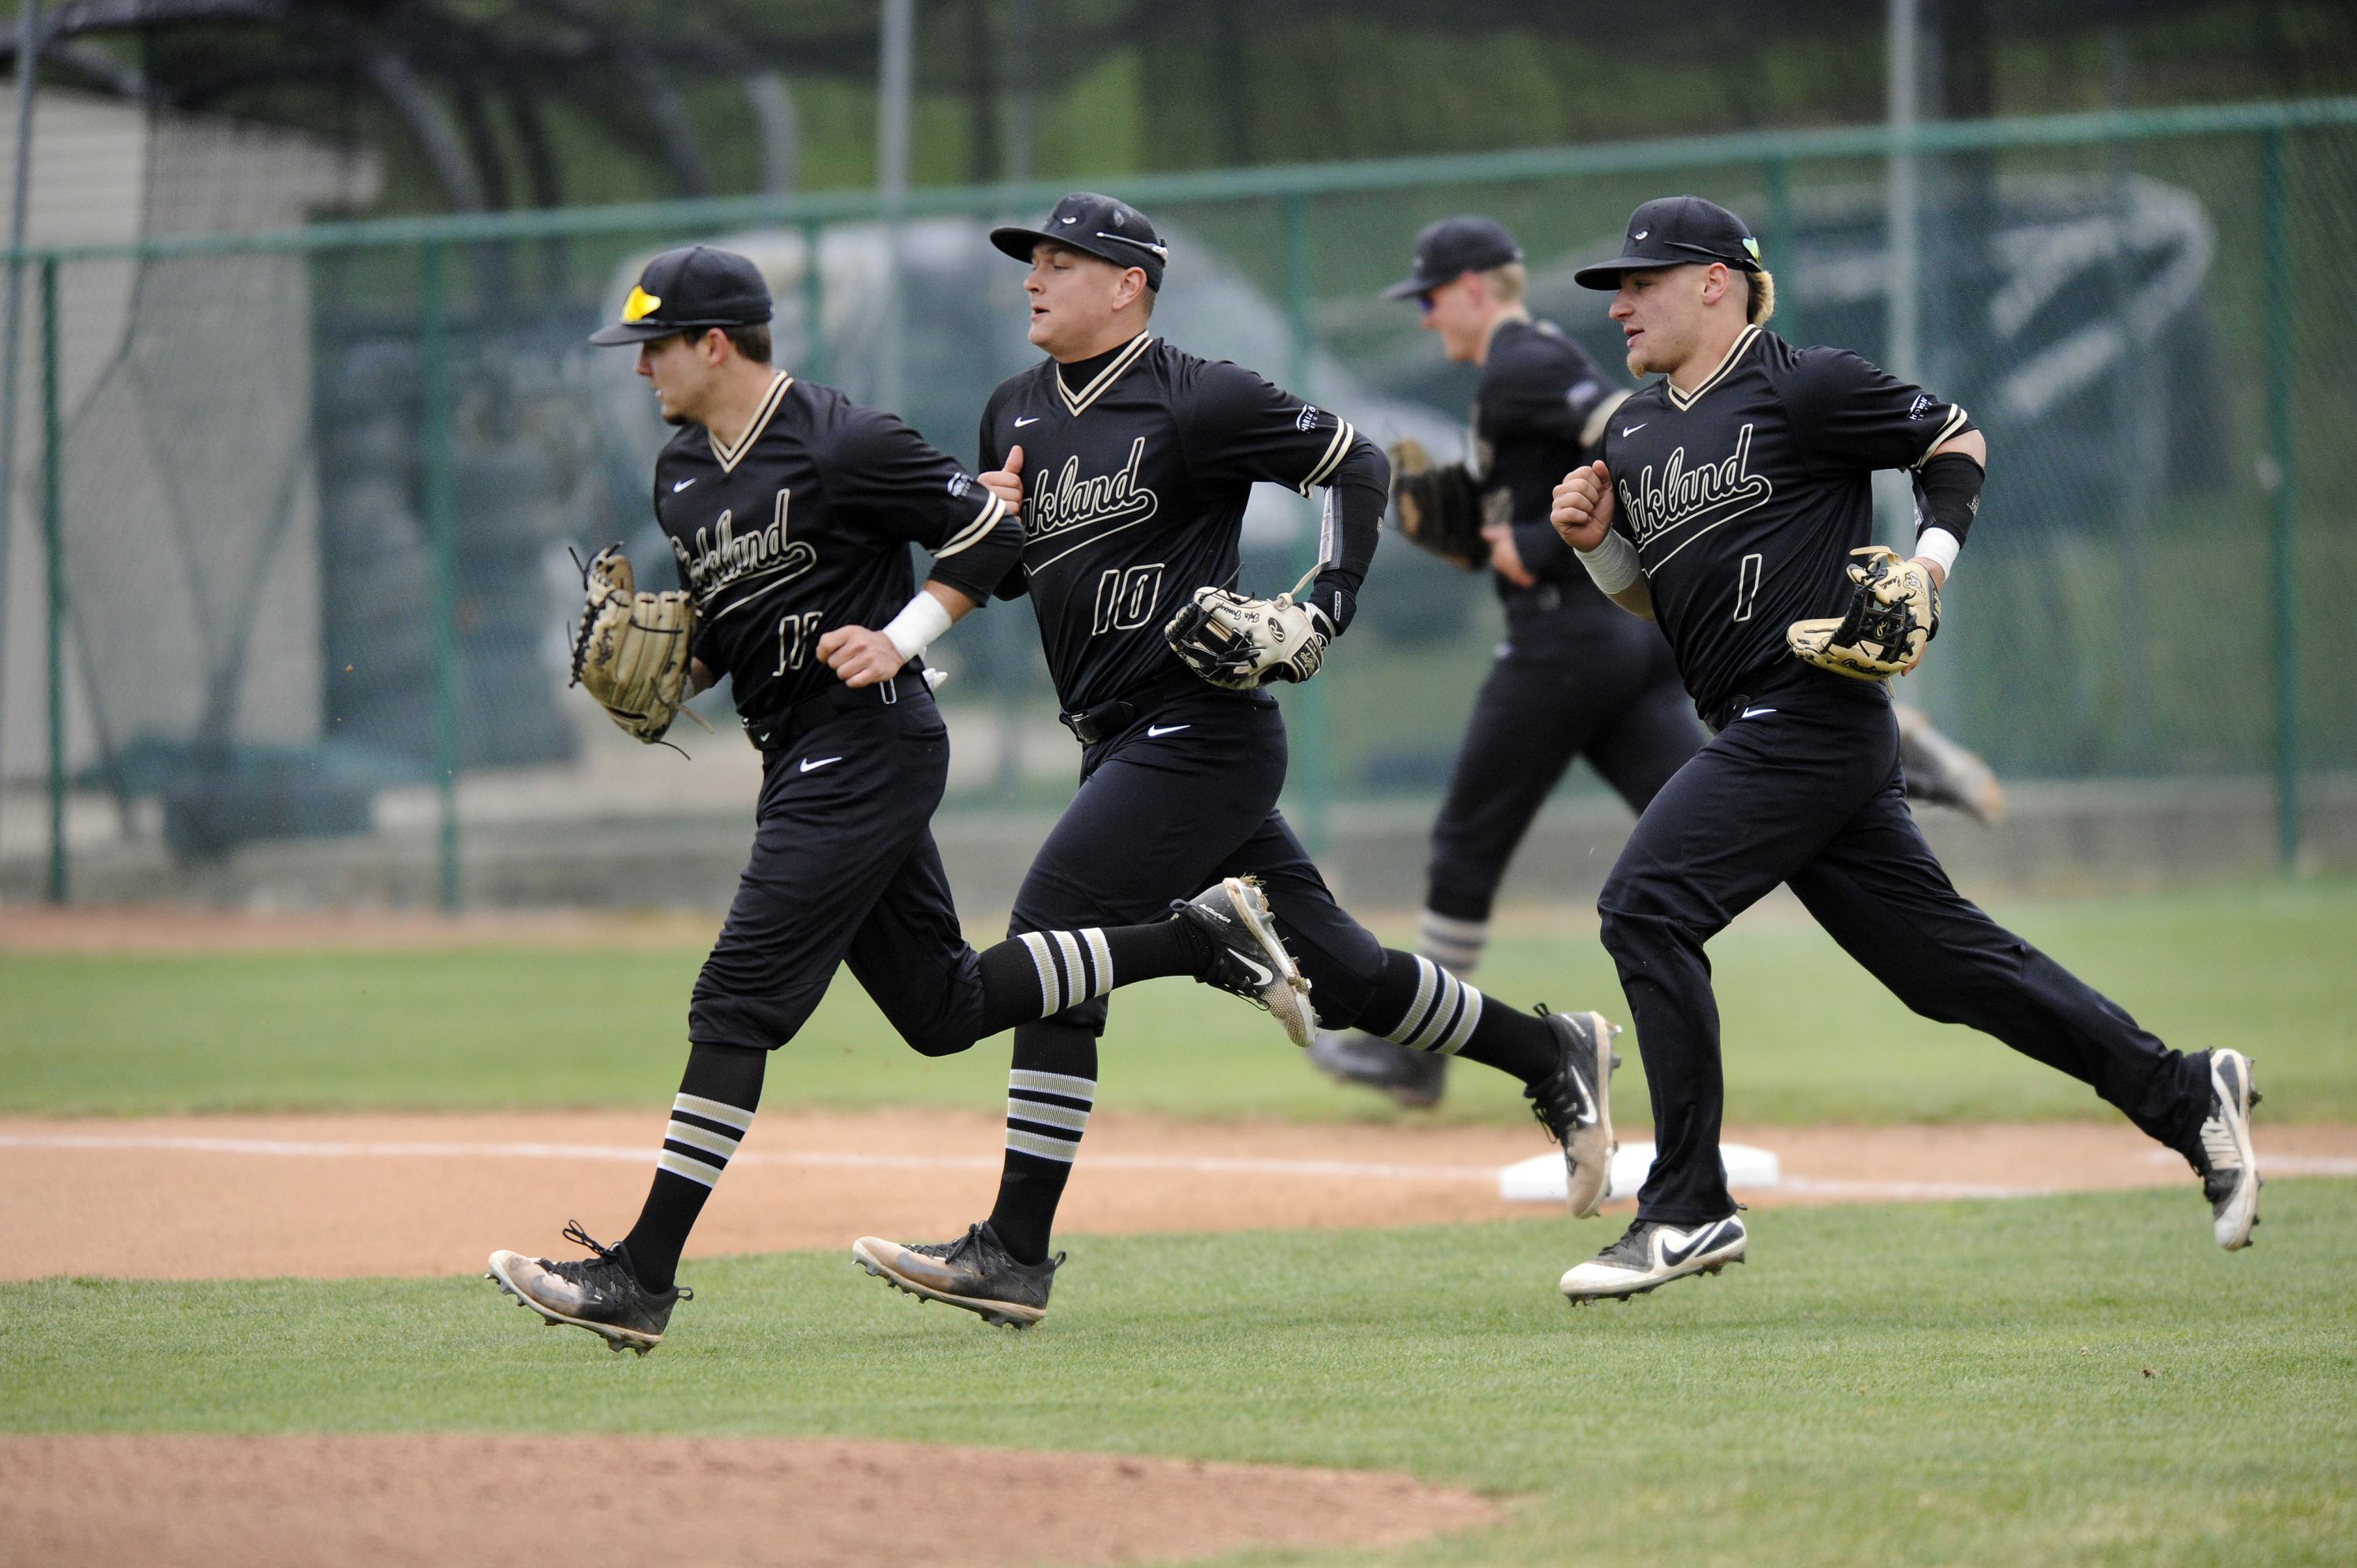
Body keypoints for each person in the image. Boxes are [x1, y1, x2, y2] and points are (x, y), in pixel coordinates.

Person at [484, 245, 1324, 1351]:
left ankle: (640, 1277)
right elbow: (726, 632)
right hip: (796, 750)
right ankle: (1195, 939)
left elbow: (992, 536)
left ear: (715, 344)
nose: (641, 370)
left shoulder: (841, 438)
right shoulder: (681, 474)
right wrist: (673, 674)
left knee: (735, 1001)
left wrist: (902, 635)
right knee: (942, 1009)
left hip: (868, 744)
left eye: (655, 347)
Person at [849, 194, 1622, 1328]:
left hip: (1203, 727)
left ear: (1129, 284)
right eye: (1031, 261)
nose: (1032, 279)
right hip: (1116, 740)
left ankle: (1014, 1250)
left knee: (1056, 927)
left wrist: (1325, 605)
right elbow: (1015, 573)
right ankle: (1549, 1050)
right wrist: (994, 520)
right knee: (1348, 979)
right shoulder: (1014, 407)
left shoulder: (1197, 394)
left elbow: (1355, 462)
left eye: (1061, 261)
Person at [1545, 197, 2261, 1304]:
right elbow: (1663, 603)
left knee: (1645, 905)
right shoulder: (1633, 433)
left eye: (1642, 282)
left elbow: (1954, 440)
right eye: (1617, 288)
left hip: (1813, 710)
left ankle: (1686, 1205)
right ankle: (2183, 1092)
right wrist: (1601, 553)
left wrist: (1928, 566)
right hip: (1757, 724)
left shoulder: (1804, 384)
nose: (1620, 305)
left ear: (1717, 282)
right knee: (1944, 969)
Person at [1315, 215, 2008, 1111]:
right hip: (1622, 637)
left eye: (1433, 296)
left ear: (1477, 288)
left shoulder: (1525, 359)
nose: (1424, 315)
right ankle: (1894, 752)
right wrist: (1484, 532)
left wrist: (1536, 540)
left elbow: (1625, 433)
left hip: (1563, 642)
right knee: (1716, 809)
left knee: (1466, 838)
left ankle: (1420, 1053)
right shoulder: (1508, 372)